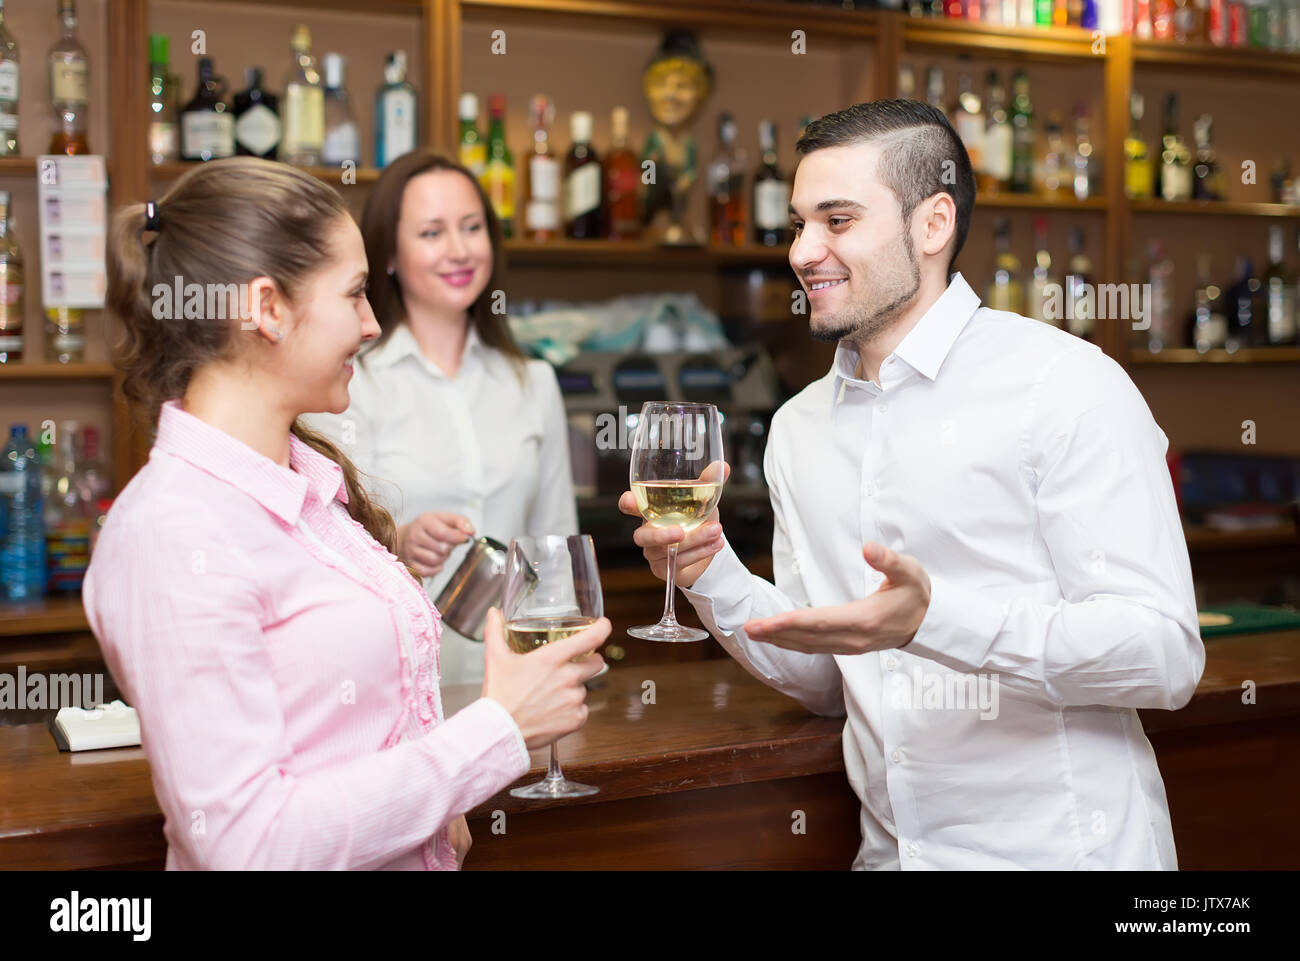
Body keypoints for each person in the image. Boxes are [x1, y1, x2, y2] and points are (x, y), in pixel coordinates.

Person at [620, 100, 1204, 870]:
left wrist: (936, 618)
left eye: (837, 220)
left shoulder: (1066, 385)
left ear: (932, 225)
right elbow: (831, 676)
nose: (803, 251)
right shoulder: (800, 429)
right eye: (797, 224)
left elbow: (1163, 656)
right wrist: (709, 574)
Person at [85, 158, 608, 870]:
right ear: (266, 308)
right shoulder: (172, 530)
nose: (370, 323)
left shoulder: (308, 485)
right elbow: (248, 845)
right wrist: (493, 733)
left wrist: (435, 813)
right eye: (356, 293)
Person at [303, 150, 577, 686]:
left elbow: (557, 549)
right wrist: (395, 540)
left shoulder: (533, 382)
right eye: (431, 233)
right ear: (387, 254)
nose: (459, 250)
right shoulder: (346, 382)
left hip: (518, 687)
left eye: (472, 227)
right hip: (393, 683)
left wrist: (563, 669)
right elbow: (318, 548)